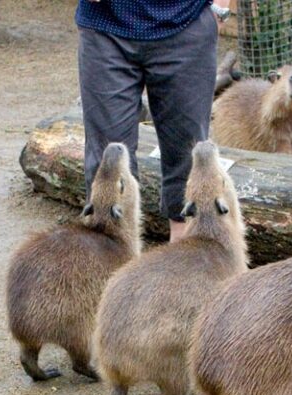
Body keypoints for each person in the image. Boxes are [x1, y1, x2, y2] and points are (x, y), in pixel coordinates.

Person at [77, 0, 232, 242]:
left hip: (187, 24)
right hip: (105, 29)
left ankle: (183, 254)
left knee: (188, 152)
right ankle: (111, 254)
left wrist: (219, 9)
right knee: (107, 159)